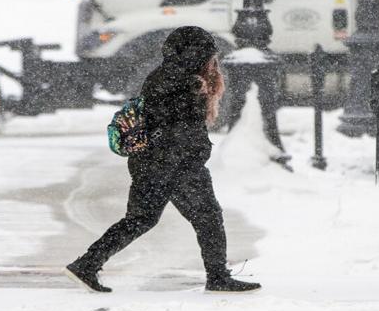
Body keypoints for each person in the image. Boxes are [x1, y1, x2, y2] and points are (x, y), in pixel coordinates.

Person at [66, 27, 261, 294]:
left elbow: (165, 125)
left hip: (153, 162)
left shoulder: (166, 76)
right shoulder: (183, 82)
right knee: (208, 217)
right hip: (174, 165)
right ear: (195, 55)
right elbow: (177, 129)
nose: (212, 62)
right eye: (208, 55)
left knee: (141, 219)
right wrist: (194, 154)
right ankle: (218, 277)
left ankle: (87, 264)